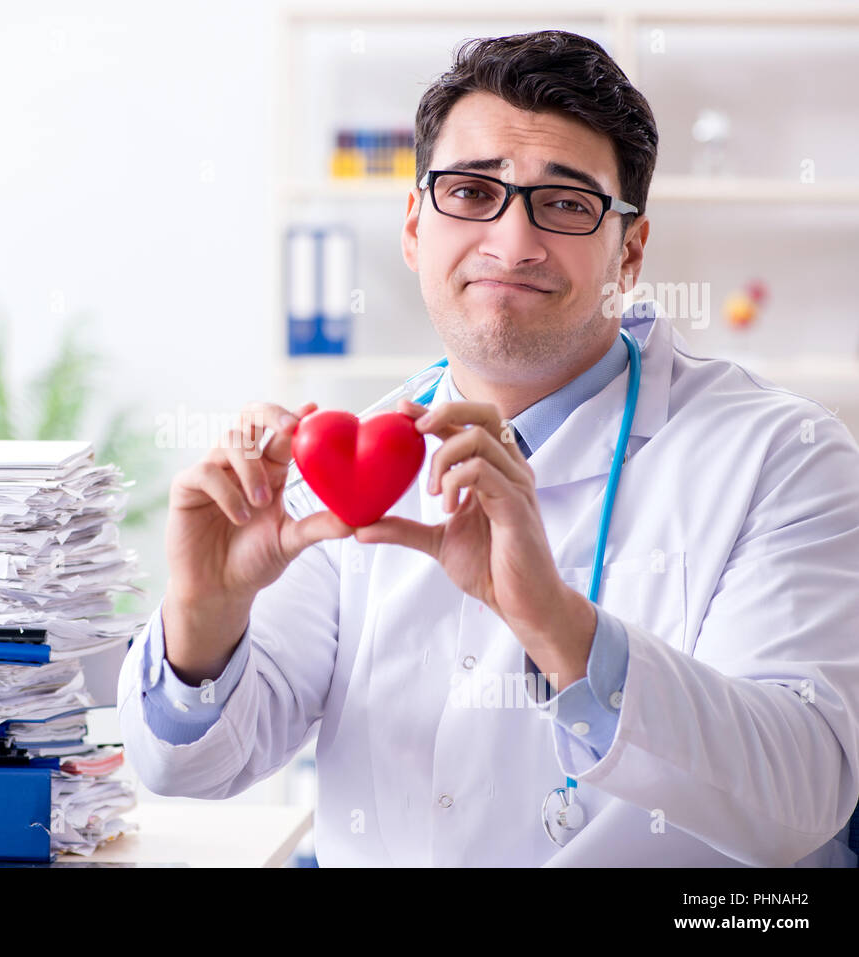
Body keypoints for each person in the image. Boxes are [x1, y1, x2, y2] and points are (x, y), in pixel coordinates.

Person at [116, 30, 859, 866]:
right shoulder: (337, 462)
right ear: (414, 227)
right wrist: (203, 625)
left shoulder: (782, 456)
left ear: (633, 253)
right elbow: (189, 767)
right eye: (472, 192)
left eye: (568, 203)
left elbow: (803, 796)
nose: (513, 243)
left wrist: (558, 625)